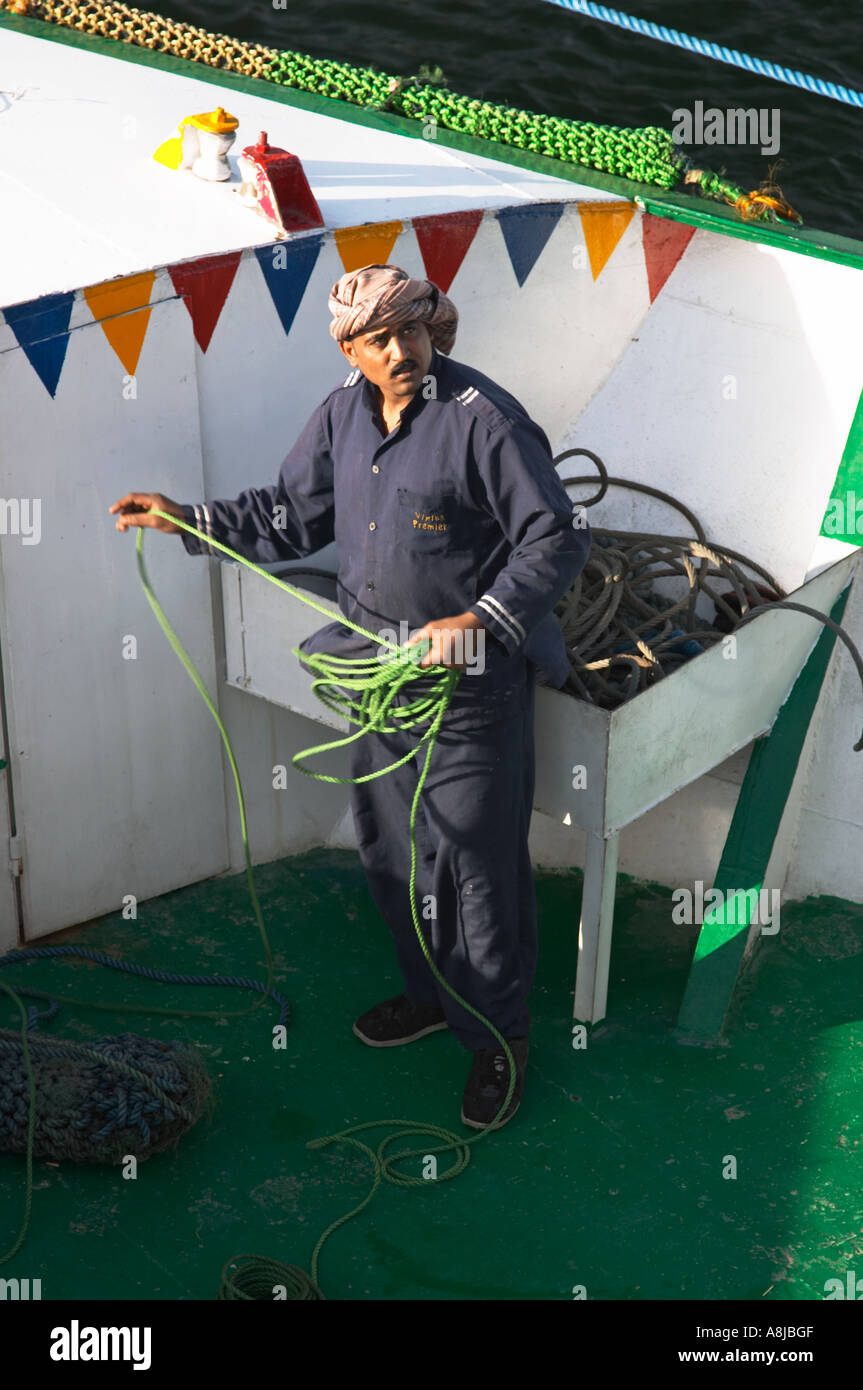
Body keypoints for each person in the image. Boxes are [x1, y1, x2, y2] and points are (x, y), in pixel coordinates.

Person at [110, 262, 590, 1129]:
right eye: (381, 339)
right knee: (392, 856)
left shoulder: (486, 421)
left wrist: (480, 619)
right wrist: (186, 517)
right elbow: (292, 517)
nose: (402, 350)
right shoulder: (341, 414)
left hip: (470, 693)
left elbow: (553, 538)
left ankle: (496, 1042)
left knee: (474, 872)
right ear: (350, 349)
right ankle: (430, 996)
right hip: (380, 685)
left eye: (412, 331)